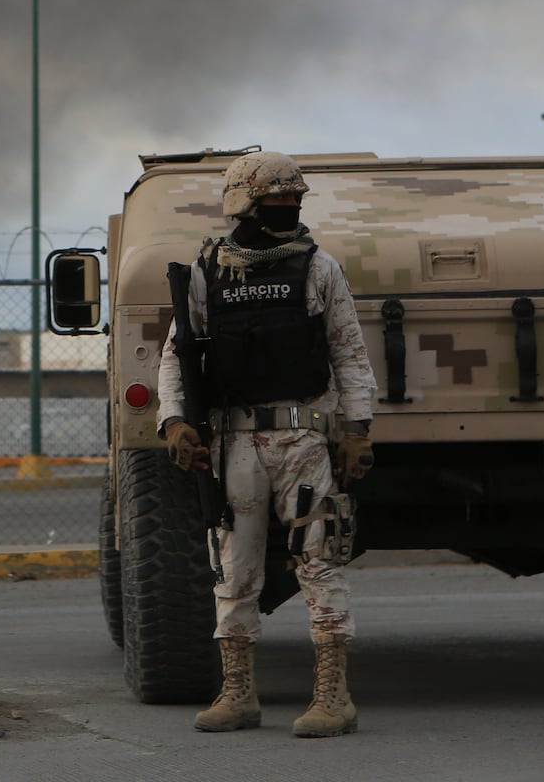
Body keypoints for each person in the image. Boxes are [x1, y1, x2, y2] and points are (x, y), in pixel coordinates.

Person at [155, 151, 378, 738]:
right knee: (234, 569)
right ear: (244, 205)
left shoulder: (318, 266)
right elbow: (178, 356)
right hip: (235, 444)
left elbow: (349, 352)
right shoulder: (208, 270)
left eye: (293, 201)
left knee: (319, 561)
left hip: (303, 439)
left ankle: (334, 695)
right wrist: (175, 422)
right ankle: (239, 693)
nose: (287, 211)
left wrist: (357, 431)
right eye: (275, 202)